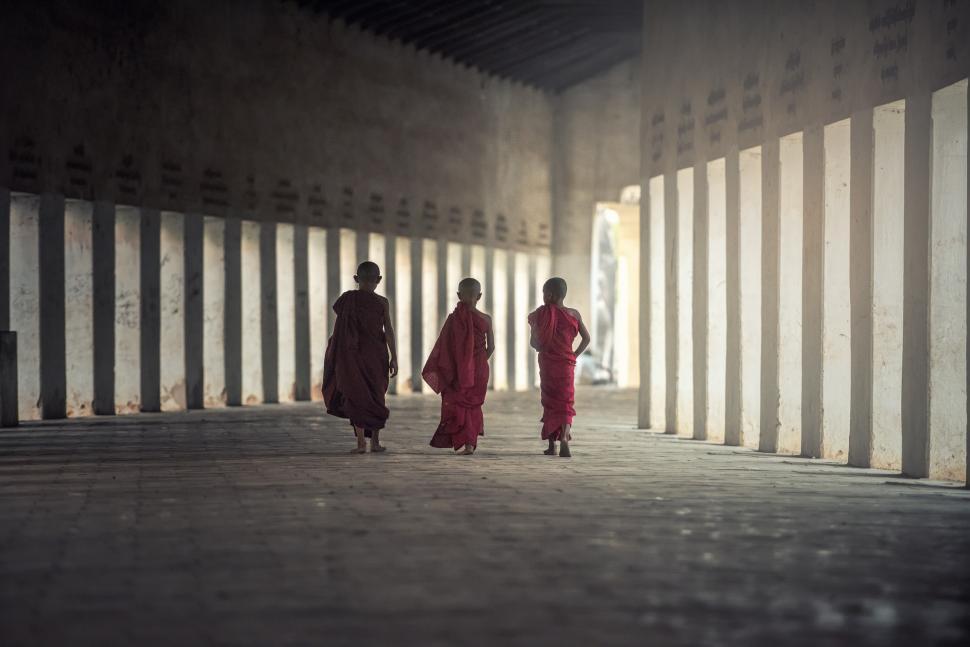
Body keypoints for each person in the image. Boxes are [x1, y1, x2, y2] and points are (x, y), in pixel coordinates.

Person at [322, 261, 398, 453]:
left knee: (358, 396)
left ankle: (362, 443)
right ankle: (374, 443)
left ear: (356, 279)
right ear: (378, 280)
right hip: (373, 356)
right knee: (374, 397)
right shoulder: (381, 302)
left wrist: (336, 354)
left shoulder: (348, 299)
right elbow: (388, 330)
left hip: (353, 357)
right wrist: (394, 356)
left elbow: (340, 332)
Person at [422, 278, 494, 455]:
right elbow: (491, 347)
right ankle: (470, 444)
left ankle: (465, 443)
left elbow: (444, 347)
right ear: (479, 296)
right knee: (473, 405)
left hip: (457, 370)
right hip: (479, 369)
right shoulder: (486, 319)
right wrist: (478, 362)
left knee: (458, 403)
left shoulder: (454, 319)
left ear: (458, 295)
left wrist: (461, 365)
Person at [528, 277, 590, 458]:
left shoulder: (541, 314)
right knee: (565, 403)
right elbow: (586, 338)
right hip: (566, 365)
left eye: (543, 294)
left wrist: (536, 333)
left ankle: (551, 445)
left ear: (549, 295)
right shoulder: (574, 314)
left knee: (550, 401)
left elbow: (535, 343)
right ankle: (563, 437)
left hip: (548, 364)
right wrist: (573, 355)